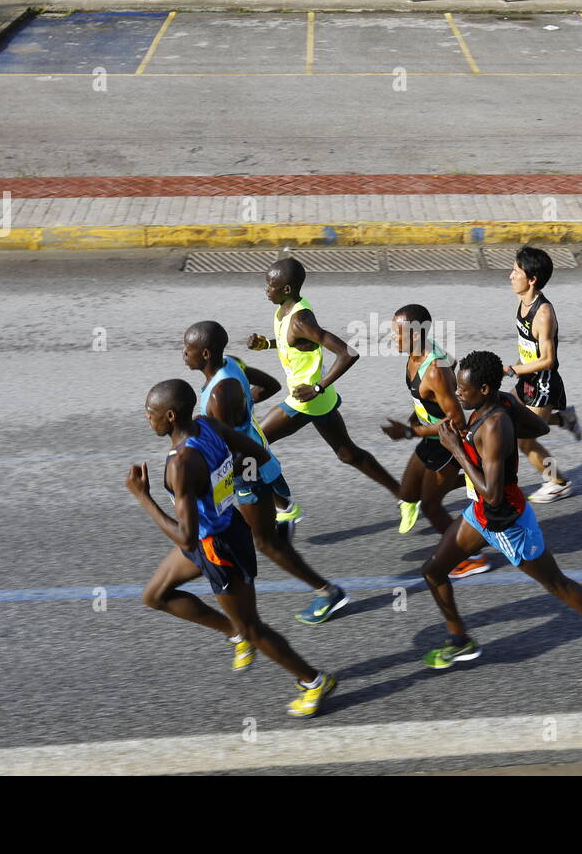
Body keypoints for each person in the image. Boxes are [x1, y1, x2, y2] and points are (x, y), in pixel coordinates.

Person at [418, 351, 582, 670]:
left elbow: (493, 495)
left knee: (556, 584)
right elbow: (540, 427)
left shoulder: (494, 425)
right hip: (481, 515)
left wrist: (457, 448)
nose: (456, 393)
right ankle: (460, 640)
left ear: (484, 389)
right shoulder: (500, 403)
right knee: (433, 571)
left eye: (463, 389)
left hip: (506, 522)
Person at [126, 378, 336, 717]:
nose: (146, 416)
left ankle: (313, 680)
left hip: (217, 547)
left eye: (150, 412)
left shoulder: (179, 466)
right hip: (228, 525)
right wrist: (225, 478)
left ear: (170, 416)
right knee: (155, 595)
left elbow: (187, 539)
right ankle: (235, 634)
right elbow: (256, 452)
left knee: (254, 627)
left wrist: (144, 498)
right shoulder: (207, 425)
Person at [184, 320, 349, 626]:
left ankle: (328, 592)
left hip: (249, 471)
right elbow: (270, 387)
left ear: (205, 353)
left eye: (188, 348)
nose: (184, 353)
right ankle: (285, 511)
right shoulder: (232, 364)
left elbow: (230, 448)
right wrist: (243, 409)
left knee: (266, 543)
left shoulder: (219, 395)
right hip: (259, 457)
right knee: (264, 530)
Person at [246, 258, 401, 506]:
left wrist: (318, 387)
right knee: (347, 453)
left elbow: (348, 353)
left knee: (252, 444)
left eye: (270, 284)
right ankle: (404, 495)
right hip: (320, 399)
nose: (266, 289)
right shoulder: (285, 309)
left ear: (286, 289)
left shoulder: (300, 320)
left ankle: (283, 507)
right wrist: (266, 344)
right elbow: (294, 343)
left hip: (306, 399)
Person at [379, 304, 488, 578]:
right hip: (429, 435)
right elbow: (449, 364)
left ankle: (471, 557)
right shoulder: (420, 354)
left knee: (430, 506)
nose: (393, 336)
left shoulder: (435, 372)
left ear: (416, 334)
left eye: (398, 332)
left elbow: (457, 424)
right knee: (406, 493)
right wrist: (417, 417)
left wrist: (408, 432)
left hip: (446, 445)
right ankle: (473, 481)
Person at [507, 246, 582, 504]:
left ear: (532, 279)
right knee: (505, 413)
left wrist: (514, 369)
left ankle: (559, 481)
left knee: (526, 442)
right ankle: (564, 418)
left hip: (543, 385)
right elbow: (528, 346)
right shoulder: (522, 301)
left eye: (516, 271)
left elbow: (548, 361)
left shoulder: (543, 313)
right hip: (525, 378)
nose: (510, 275)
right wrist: (516, 367)